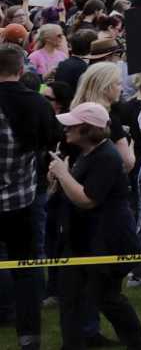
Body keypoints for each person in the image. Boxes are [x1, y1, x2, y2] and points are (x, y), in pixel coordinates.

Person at [47, 101, 141, 350]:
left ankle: (138, 344)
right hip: (82, 240)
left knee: (107, 298)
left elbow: (87, 199)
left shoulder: (107, 157)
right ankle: (72, 344)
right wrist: (59, 179)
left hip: (107, 242)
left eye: (72, 125)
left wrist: (63, 174)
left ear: (88, 129)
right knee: (70, 297)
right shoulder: (86, 153)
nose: (66, 129)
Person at [0, 44, 58, 349]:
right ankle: (29, 334)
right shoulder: (36, 103)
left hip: (21, 196)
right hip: (22, 198)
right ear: (21, 71)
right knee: (26, 266)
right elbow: (53, 141)